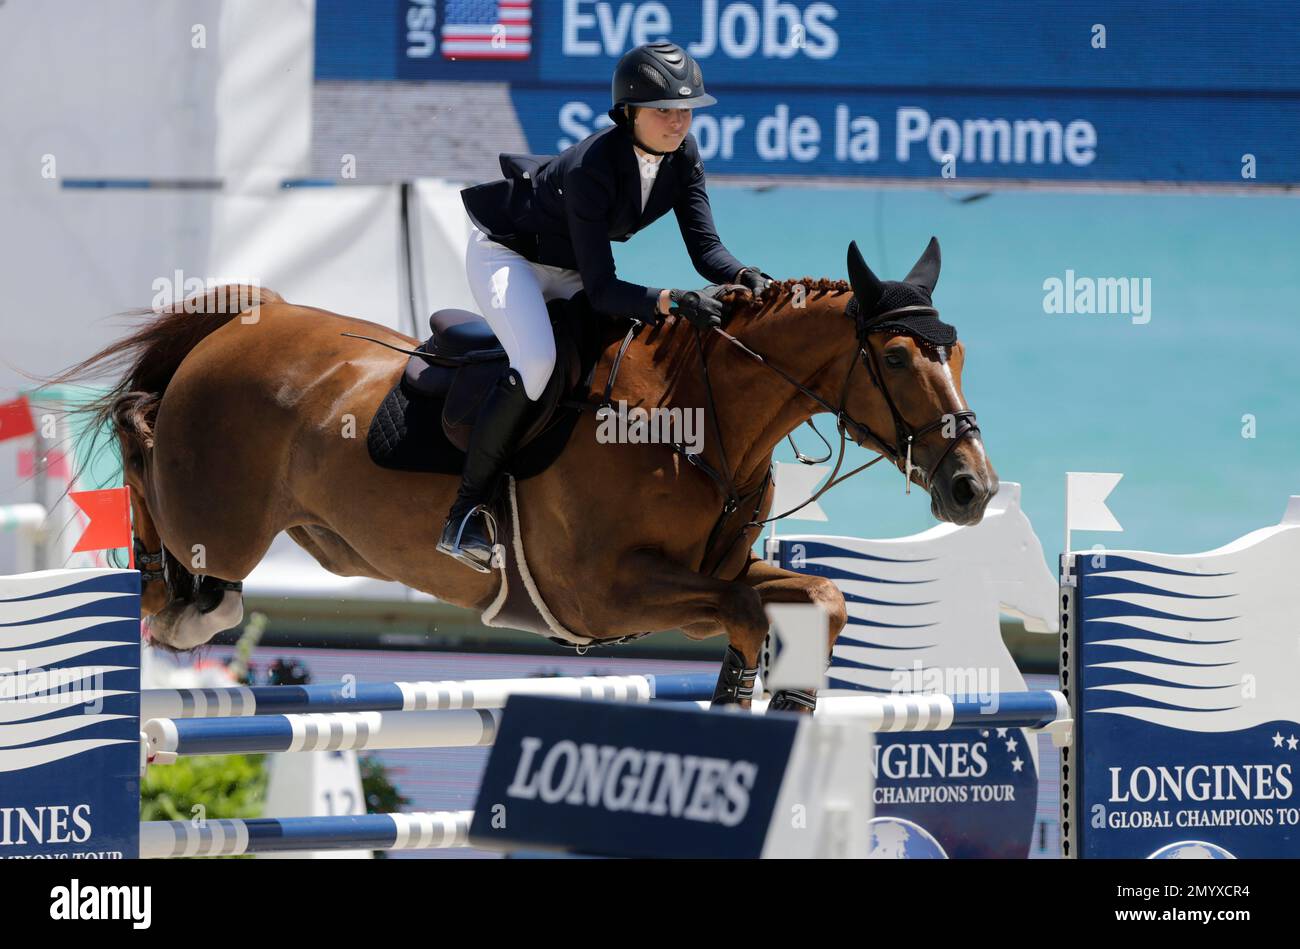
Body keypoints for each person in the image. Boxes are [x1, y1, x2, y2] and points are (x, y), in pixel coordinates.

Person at [442, 40, 772, 573]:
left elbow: (706, 250)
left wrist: (741, 274)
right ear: (629, 113)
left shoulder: (684, 158)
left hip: (571, 265)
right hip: (509, 256)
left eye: (686, 109)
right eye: (664, 109)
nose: (678, 122)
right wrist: (668, 300)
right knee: (538, 364)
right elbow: (602, 290)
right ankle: (465, 512)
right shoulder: (593, 167)